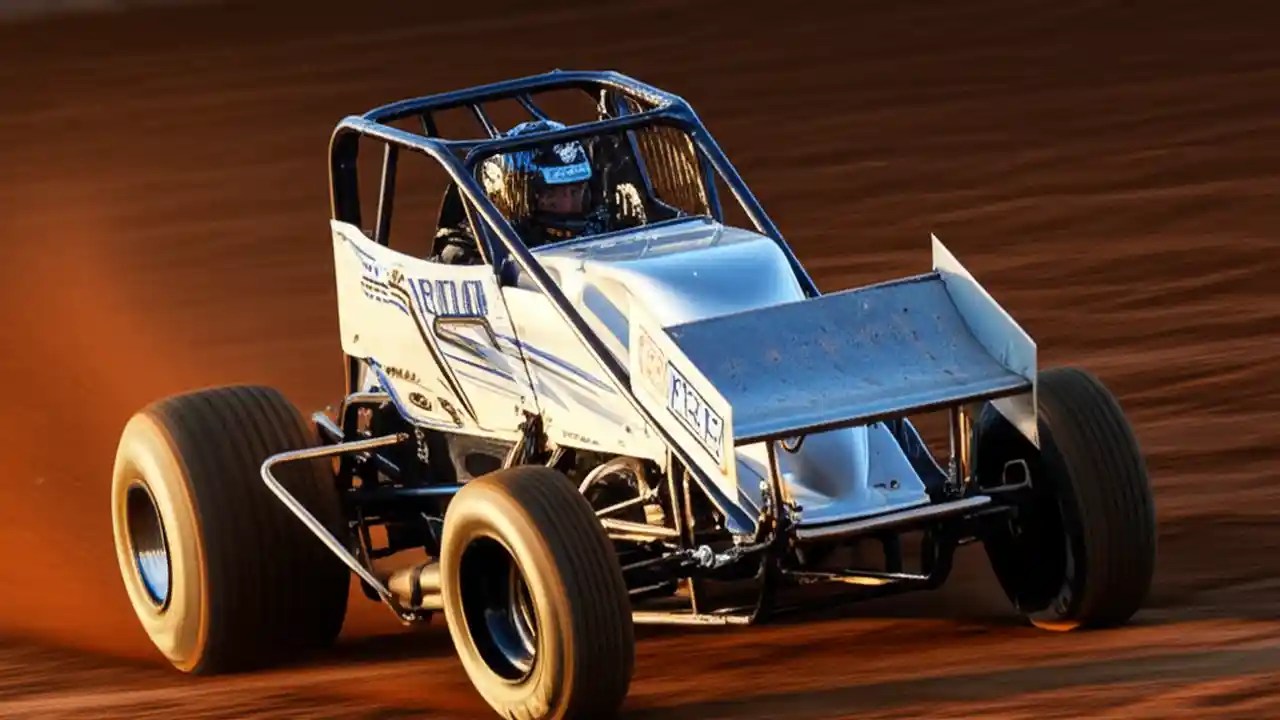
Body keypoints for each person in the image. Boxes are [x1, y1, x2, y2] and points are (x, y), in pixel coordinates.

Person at [435, 119, 614, 265]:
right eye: (551, 194)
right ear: (511, 196)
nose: (567, 206)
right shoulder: (470, 256)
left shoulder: (602, 227)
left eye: (575, 192)